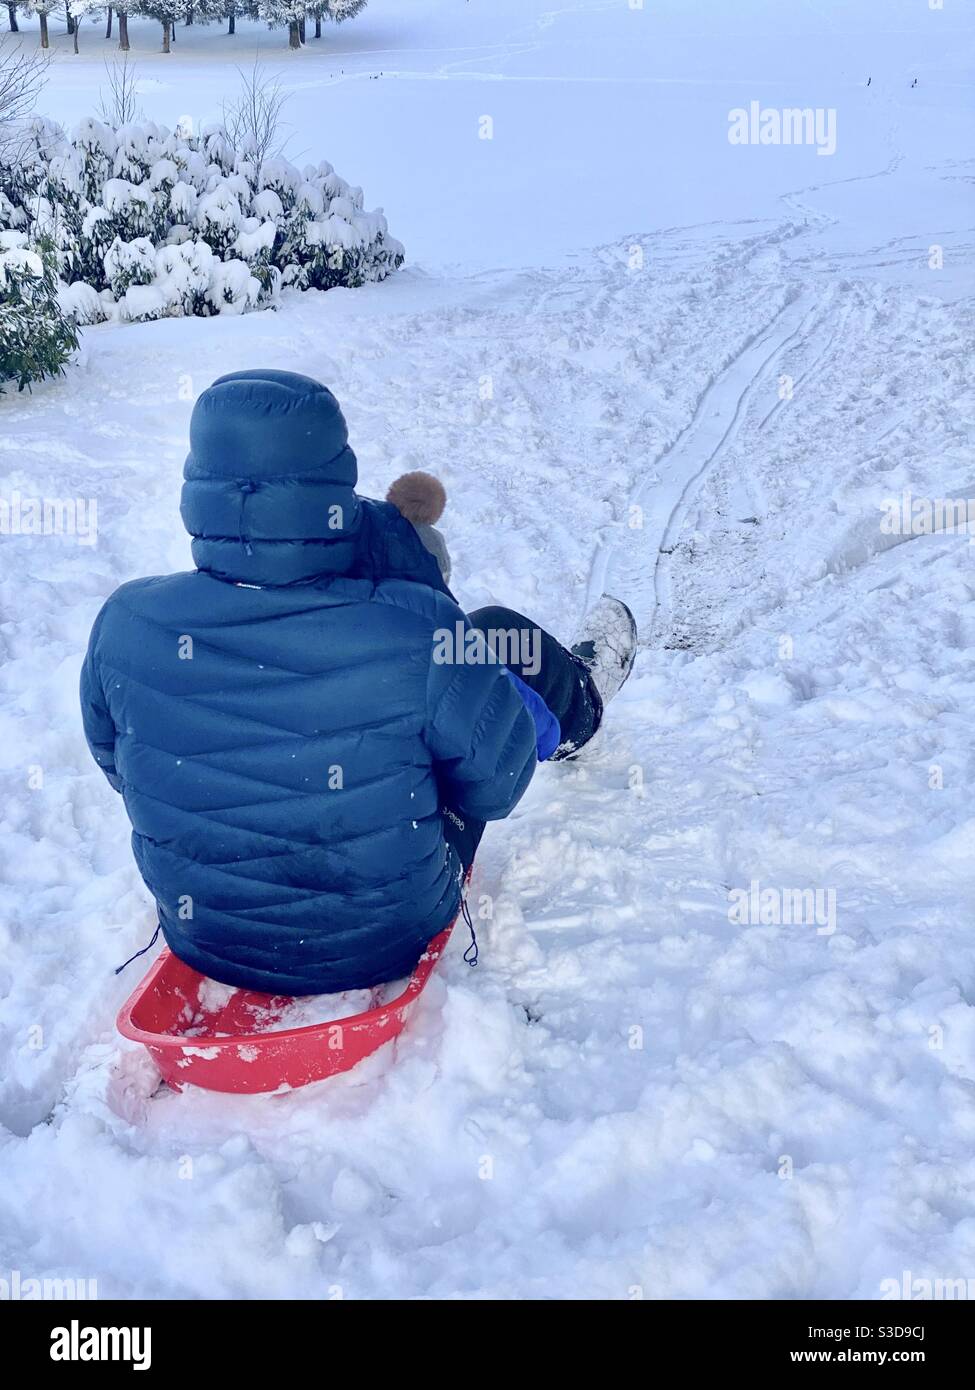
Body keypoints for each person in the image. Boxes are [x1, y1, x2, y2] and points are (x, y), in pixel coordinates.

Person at [80, 370, 635, 996]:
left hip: (204, 931)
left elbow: (118, 764)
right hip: (384, 934)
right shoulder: (419, 630)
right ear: (334, 480)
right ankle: (579, 699)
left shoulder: (125, 621)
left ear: (200, 482)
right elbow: (495, 791)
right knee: (498, 635)